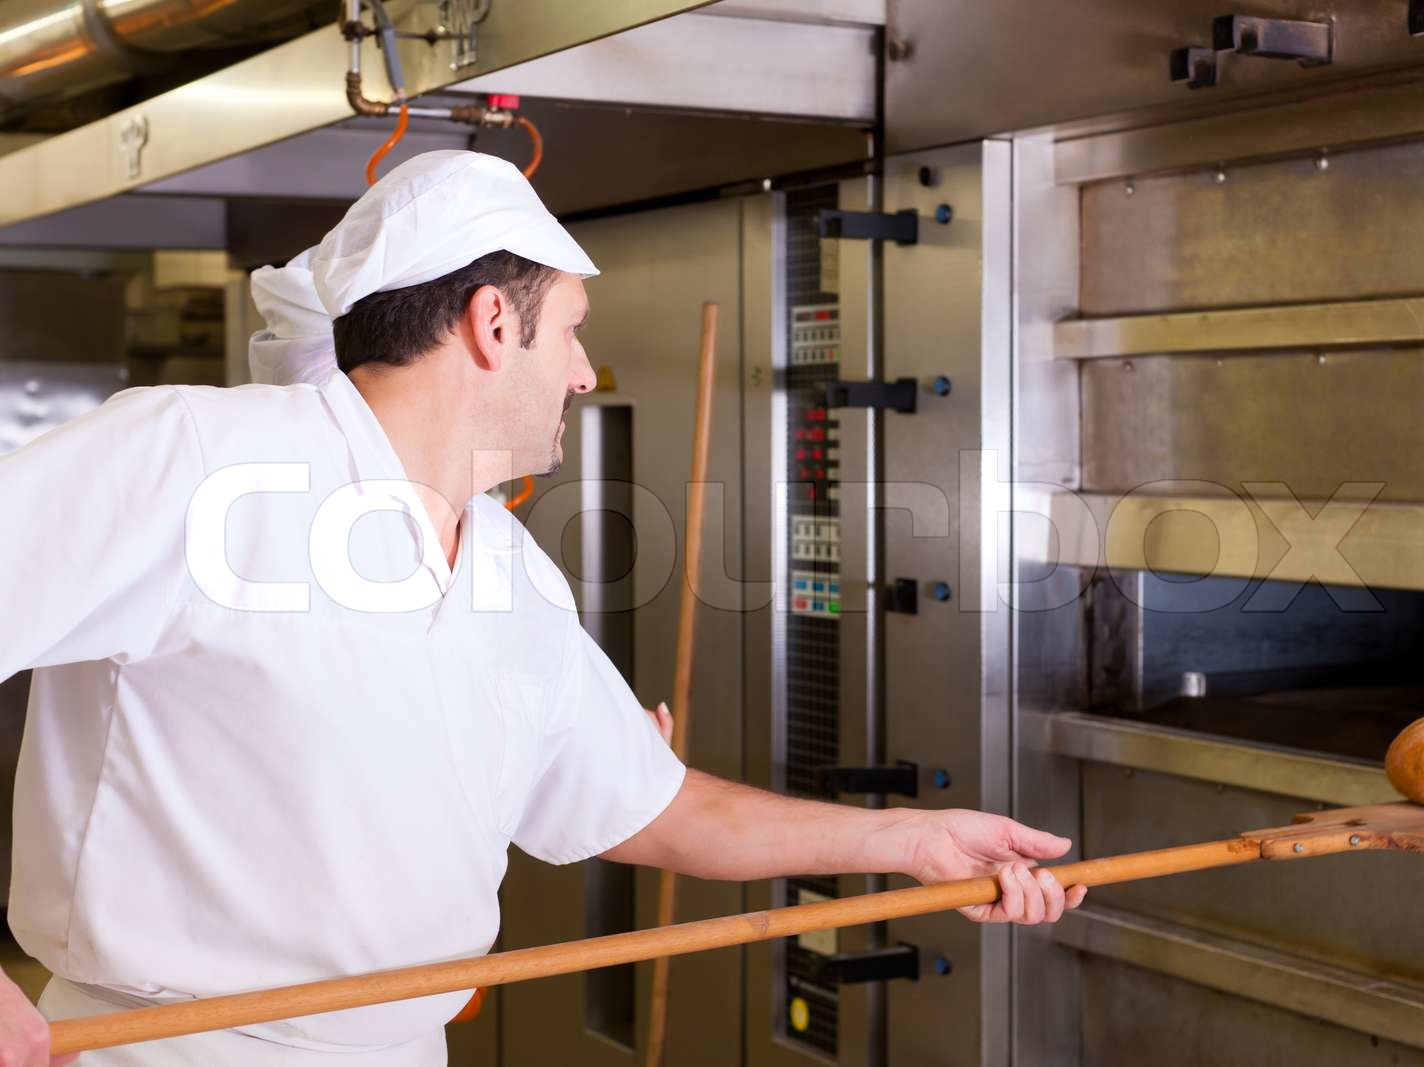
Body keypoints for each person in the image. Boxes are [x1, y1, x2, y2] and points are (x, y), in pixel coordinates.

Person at [0, 150, 1085, 1066]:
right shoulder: (200, 459)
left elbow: (653, 806)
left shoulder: (510, 571)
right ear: (490, 324)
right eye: (570, 330)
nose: (582, 372)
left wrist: (910, 839)